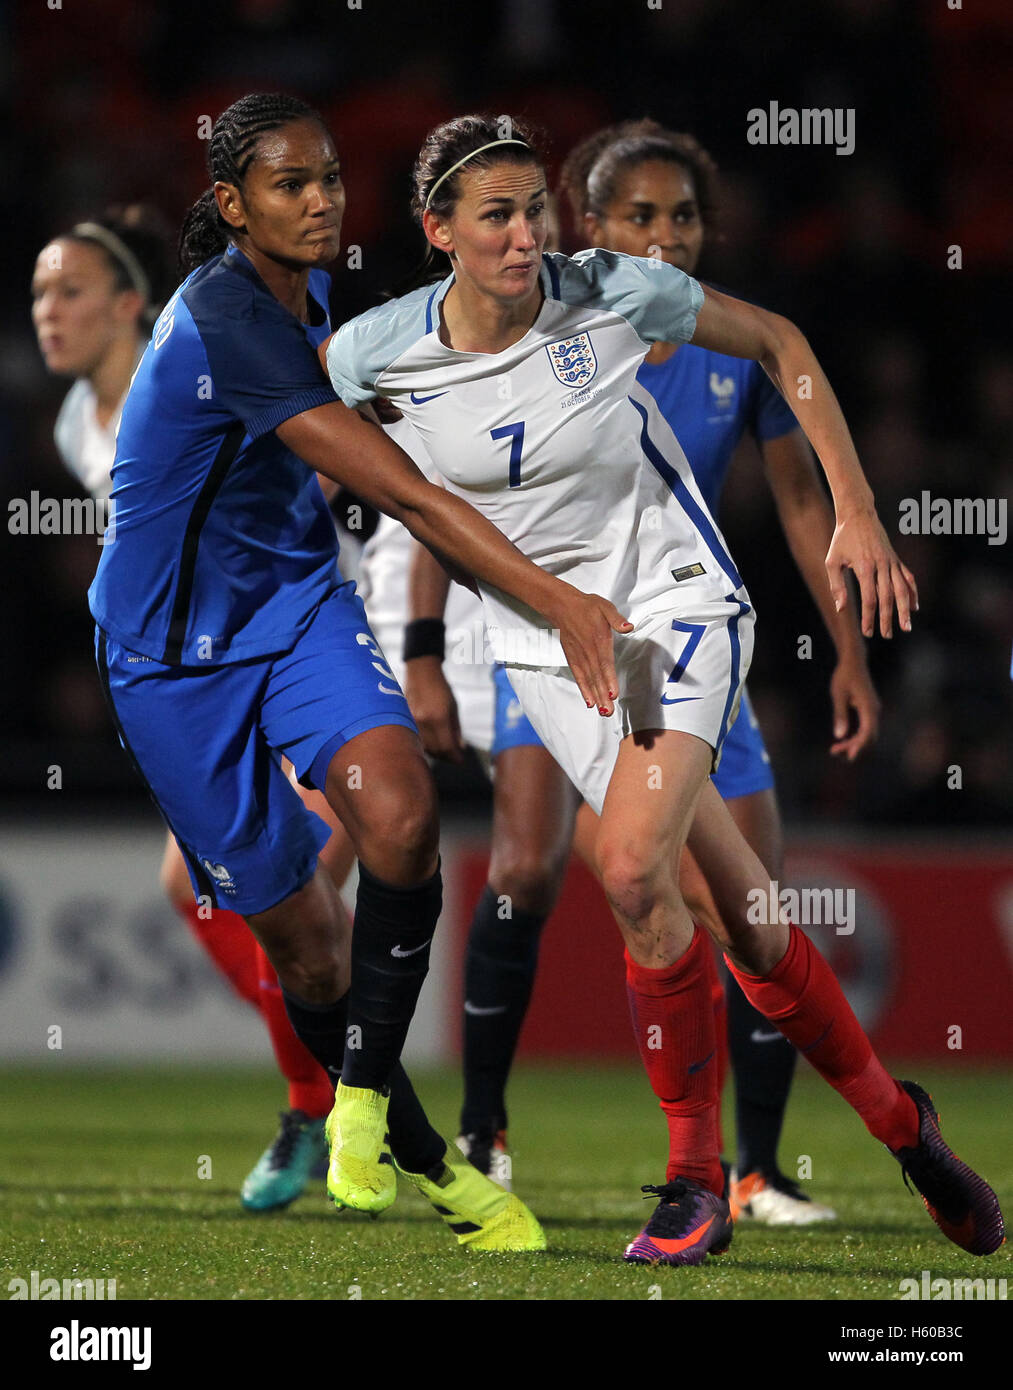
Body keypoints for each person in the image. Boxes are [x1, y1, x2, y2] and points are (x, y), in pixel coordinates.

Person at [323, 113, 1004, 1266]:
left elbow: (779, 338)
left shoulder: (611, 292)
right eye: (495, 214)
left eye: (533, 206)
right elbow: (407, 503)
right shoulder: (370, 358)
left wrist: (852, 507)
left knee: (631, 867)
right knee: (740, 910)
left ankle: (695, 1180)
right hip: (546, 653)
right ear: (438, 231)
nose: (525, 232)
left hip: (669, 608)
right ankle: (902, 1123)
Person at [86, 92, 630, 1253]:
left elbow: (369, 429)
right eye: (290, 185)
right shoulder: (226, 319)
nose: (323, 199)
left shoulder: (314, 299)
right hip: (169, 660)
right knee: (308, 948)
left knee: (400, 815)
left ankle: (364, 1107)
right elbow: (404, 491)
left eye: (330, 176)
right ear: (233, 206)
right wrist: (559, 601)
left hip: (295, 606)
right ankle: (430, 1159)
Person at [406, 118, 878, 1224]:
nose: (662, 236)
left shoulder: (720, 349)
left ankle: (752, 1167)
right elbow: (441, 504)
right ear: (588, 226)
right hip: (549, 644)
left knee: (747, 897)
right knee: (526, 864)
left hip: (681, 641)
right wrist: (426, 650)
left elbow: (800, 498)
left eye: (681, 216)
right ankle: (487, 1125)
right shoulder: (557, 327)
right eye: (637, 218)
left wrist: (846, 649)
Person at [30, 203, 342, 1214]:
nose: (47, 310)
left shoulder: (201, 353)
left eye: (70, 289)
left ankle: (374, 1106)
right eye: (37, 292)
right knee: (205, 889)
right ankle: (333, 1098)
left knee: (281, 885)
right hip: (208, 663)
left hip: (301, 626)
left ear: (133, 306)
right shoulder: (79, 424)